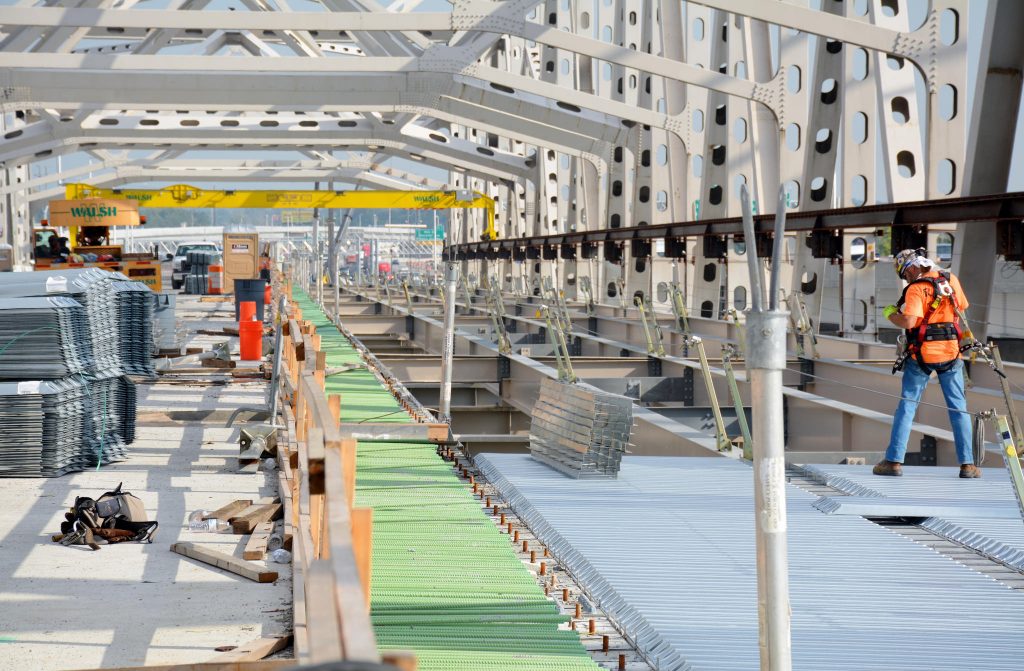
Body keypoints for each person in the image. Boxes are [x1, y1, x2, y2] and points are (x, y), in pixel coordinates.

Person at [874, 248, 980, 478]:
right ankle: (968, 465)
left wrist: (890, 314)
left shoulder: (916, 289)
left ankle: (893, 462)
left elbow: (910, 321)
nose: (906, 278)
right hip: (950, 354)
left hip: (921, 355)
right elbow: (962, 306)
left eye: (906, 274)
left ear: (913, 267)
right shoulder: (951, 280)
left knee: (907, 406)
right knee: (958, 408)